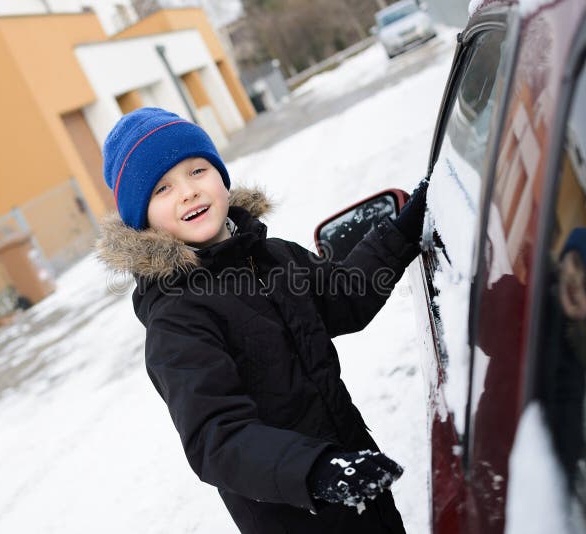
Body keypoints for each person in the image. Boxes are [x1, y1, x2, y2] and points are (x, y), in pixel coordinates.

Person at [96, 108, 428, 534]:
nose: (188, 192)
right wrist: (316, 470)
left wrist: (400, 233)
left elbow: (346, 296)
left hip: (358, 483)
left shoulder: (272, 257)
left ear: (220, 176)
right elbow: (217, 440)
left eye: (197, 170)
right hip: (297, 512)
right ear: (142, 219)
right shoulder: (177, 320)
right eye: (162, 188)